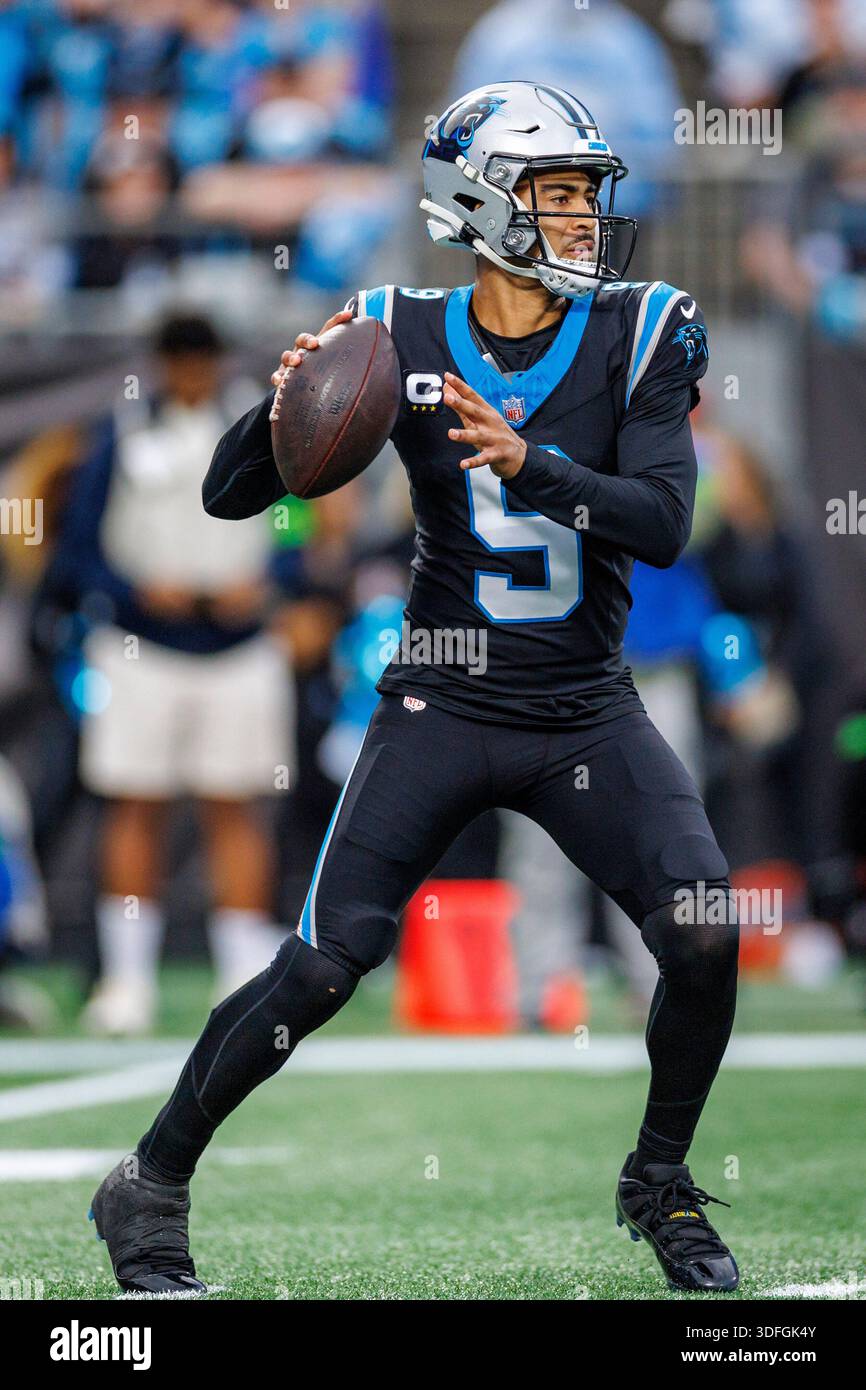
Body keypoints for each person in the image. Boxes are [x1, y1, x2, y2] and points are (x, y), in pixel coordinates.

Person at [90, 82, 740, 1295]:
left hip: (583, 709)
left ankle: (658, 1182)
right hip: (439, 703)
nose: (583, 218)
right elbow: (234, 498)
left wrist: (531, 463)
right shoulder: (392, 327)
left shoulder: (642, 327)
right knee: (324, 966)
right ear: (477, 202)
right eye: (553, 192)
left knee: (701, 929)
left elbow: (660, 523)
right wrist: (279, 407)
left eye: (584, 194)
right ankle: (149, 1182)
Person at [49, 312, 293, 1032]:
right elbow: (77, 550)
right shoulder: (118, 433)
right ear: (160, 364)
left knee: (237, 805)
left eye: (202, 359)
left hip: (242, 645)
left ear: (216, 362)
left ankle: (244, 973)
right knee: (134, 803)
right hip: (141, 646)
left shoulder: (266, 429)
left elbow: (300, 524)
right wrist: (135, 591)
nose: (192, 373)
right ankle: (126, 980)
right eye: (179, 360)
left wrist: (276, 579)